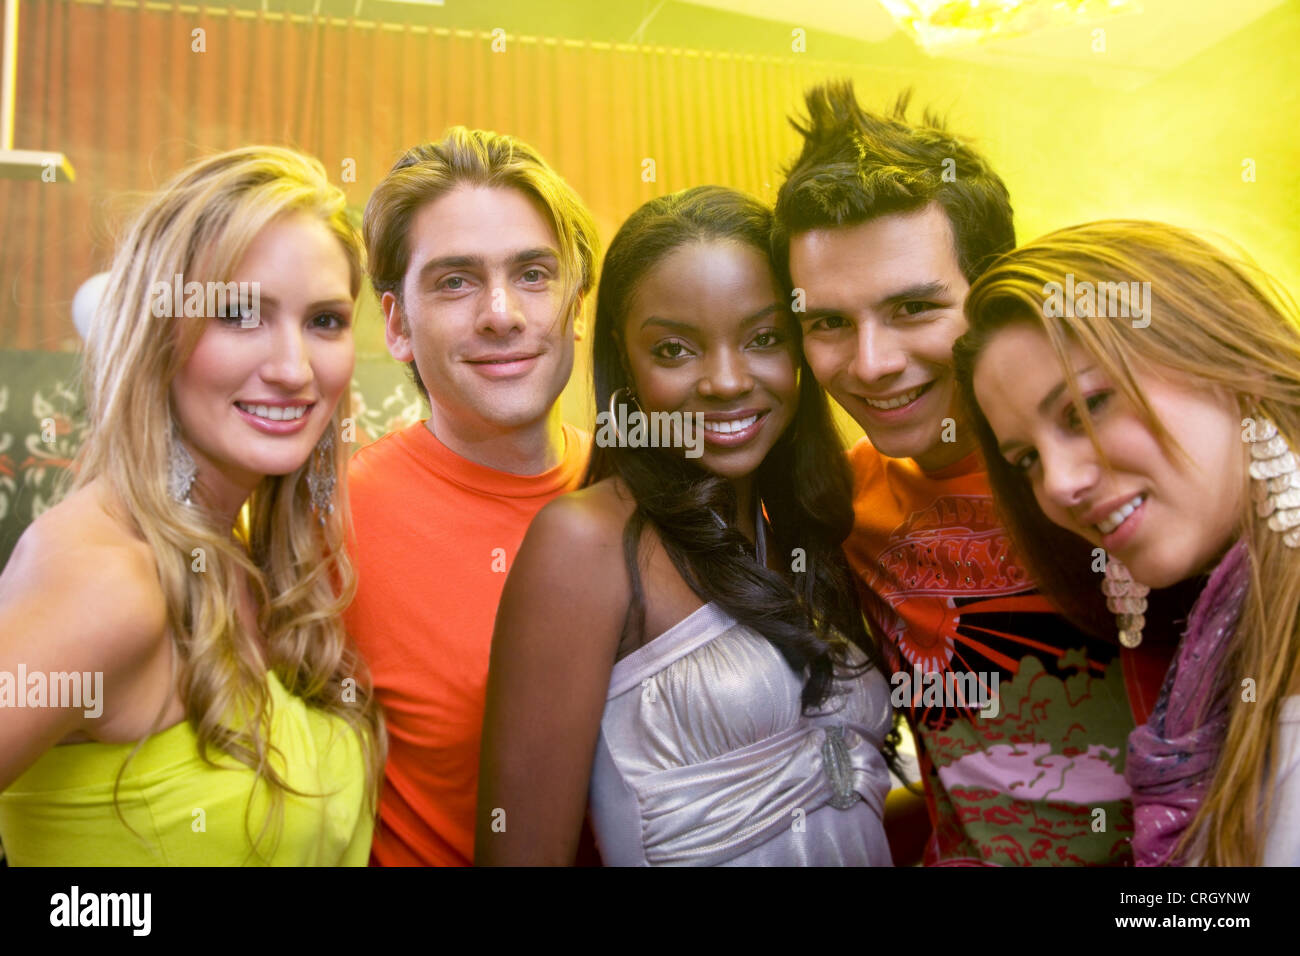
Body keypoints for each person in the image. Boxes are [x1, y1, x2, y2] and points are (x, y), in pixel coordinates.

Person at [772, 80, 1171, 865]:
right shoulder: (837, 507)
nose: (873, 364)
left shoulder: (1113, 479)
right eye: (827, 323)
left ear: (991, 294)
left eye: (914, 309)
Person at [476, 185, 896, 867]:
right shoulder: (585, 542)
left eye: (764, 339)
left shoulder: (801, 532)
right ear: (626, 360)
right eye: (675, 350)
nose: (727, 381)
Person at [0, 146, 384, 865]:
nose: (294, 368)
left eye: (325, 321)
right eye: (241, 313)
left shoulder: (236, 548)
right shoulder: (108, 579)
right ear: (158, 333)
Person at [954, 218, 1300, 866]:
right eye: (1026, 458)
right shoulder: (1220, 633)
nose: (1058, 485)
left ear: (1229, 358)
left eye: (1088, 406)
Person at [345, 128, 599, 866]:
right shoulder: (331, 525)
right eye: (455, 281)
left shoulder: (642, 494)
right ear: (396, 324)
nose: (501, 313)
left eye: (533, 274)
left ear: (575, 304)